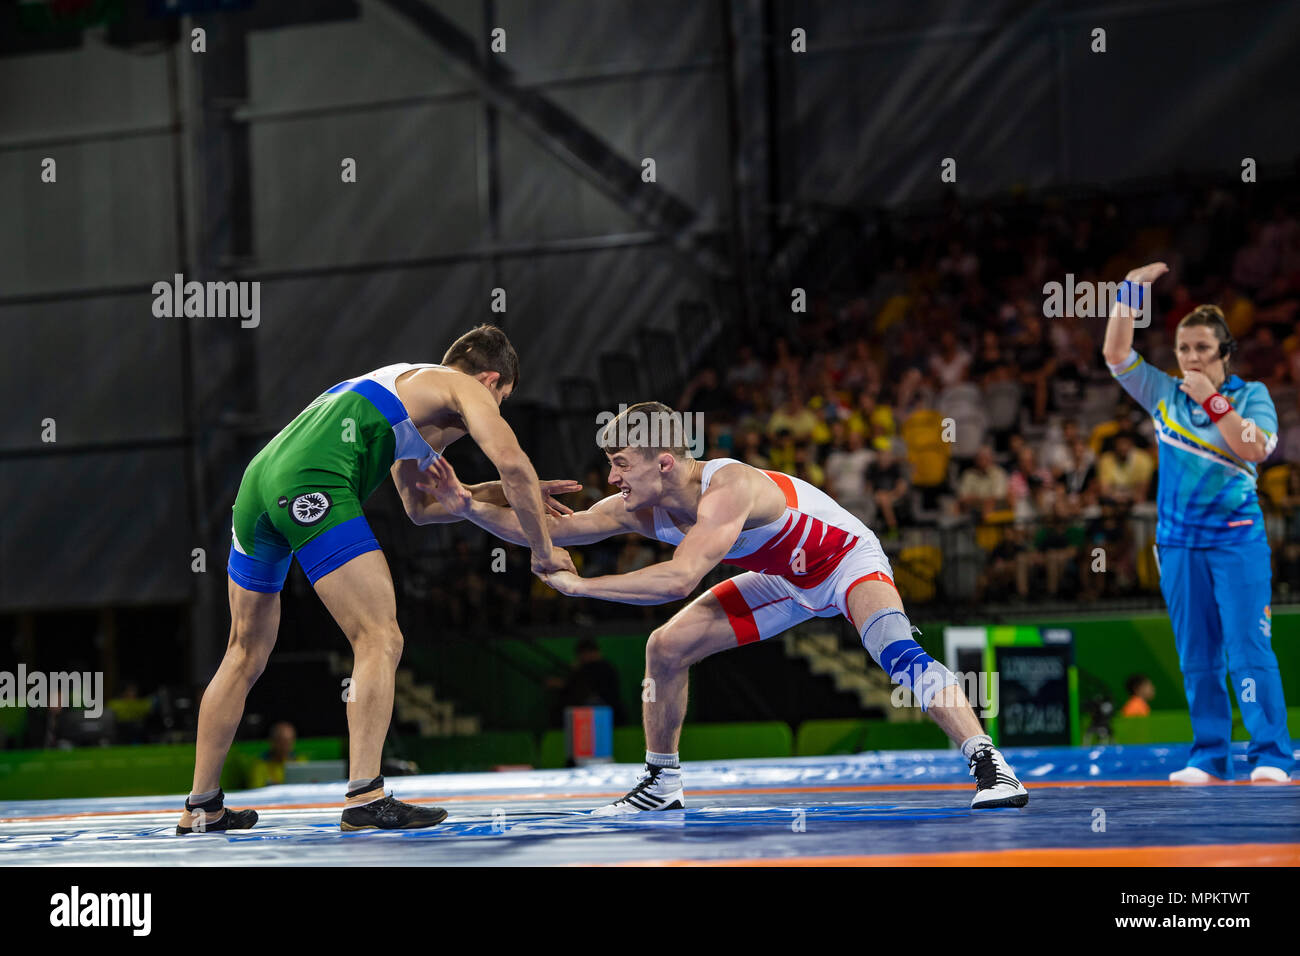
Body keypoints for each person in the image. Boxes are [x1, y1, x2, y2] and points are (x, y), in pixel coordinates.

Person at [423, 402, 1029, 812]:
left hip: (844, 561)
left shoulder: (728, 487)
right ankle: (663, 780)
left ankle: (991, 765)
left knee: (897, 650)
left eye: (620, 463)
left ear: (665, 461)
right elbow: (555, 533)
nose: (611, 478)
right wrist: (467, 505)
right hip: (779, 578)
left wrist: (584, 589)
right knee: (664, 647)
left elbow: (680, 577)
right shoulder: (642, 504)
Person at [177, 324, 578, 834]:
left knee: (243, 651)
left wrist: (506, 491)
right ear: (491, 379)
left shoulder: (404, 392)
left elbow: (423, 506)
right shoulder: (464, 387)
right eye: (502, 399)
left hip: (258, 484)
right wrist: (543, 553)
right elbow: (514, 462)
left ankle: (201, 807)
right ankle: (365, 797)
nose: (494, 408)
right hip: (310, 481)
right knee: (379, 636)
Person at [1103, 261, 1291, 783]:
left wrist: (1210, 399)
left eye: (1202, 349)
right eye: (1184, 349)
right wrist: (1129, 293)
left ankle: (1272, 754)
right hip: (1179, 544)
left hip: (1236, 541)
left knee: (1248, 646)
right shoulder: (1163, 394)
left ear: (1225, 353)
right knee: (1197, 654)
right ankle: (1208, 756)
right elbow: (1116, 354)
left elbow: (1254, 446)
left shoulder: (1251, 396)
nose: (1190, 358)